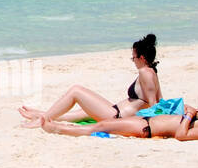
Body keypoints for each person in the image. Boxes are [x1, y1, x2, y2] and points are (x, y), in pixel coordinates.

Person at [19, 33, 161, 127]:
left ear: (142, 58)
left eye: (133, 58)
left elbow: (153, 105)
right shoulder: (152, 71)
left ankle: (42, 120)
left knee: (76, 91)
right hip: (115, 111)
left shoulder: (144, 73)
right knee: (78, 114)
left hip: (116, 117)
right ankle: (42, 114)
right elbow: (160, 99)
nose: (132, 61)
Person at [39, 101, 198, 140]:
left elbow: (181, 135)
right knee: (100, 124)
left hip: (146, 128)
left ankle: (56, 129)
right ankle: (57, 126)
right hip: (145, 123)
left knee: (99, 126)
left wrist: (188, 116)